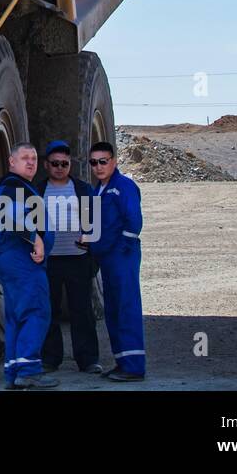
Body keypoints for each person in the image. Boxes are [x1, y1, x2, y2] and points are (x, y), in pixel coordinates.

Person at [0, 143, 58, 389]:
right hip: (20, 257)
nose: (30, 162)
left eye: (34, 158)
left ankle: (14, 371)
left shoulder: (19, 186)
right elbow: (8, 216)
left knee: (17, 315)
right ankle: (29, 370)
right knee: (35, 310)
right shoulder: (12, 185)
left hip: (13, 257)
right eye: (24, 157)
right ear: (11, 161)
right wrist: (34, 238)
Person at [34, 140, 102, 374]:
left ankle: (88, 360)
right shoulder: (37, 191)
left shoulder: (83, 190)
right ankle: (50, 359)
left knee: (82, 311)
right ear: (46, 165)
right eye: (55, 164)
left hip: (78, 260)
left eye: (64, 163)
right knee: (48, 311)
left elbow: (95, 221)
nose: (60, 168)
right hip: (49, 261)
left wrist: (90, 243)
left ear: (70, 164)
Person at [80, 140, 146, 382]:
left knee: (126, 308)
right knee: (114, 310)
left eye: (103, 161)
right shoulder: (99, 189)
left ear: (114, 161)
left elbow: (133, 220)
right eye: (93, 162)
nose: (98, 167)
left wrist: (123, 247)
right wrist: (89, 242)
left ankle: (134, 367)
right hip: (107, 258)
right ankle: (122, 362)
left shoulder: (123, 186)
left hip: (122, 257)